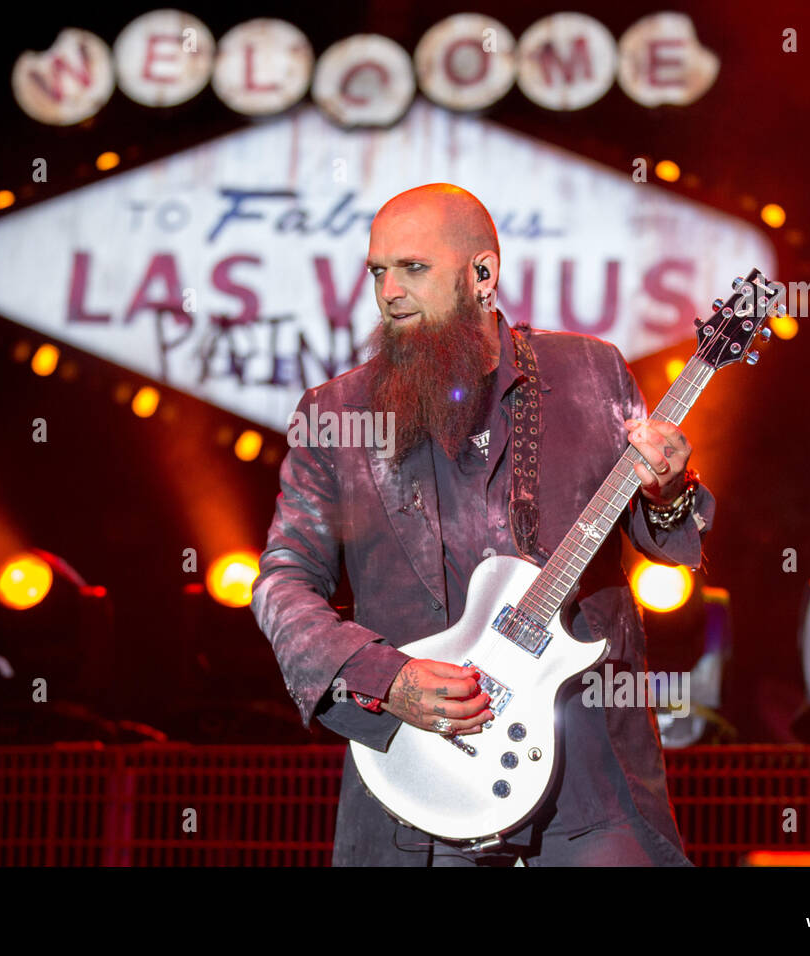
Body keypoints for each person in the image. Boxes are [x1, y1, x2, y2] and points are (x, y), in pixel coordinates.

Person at [251, 183, 716, 866]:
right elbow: (283, 582)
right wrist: (388, 679)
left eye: (413, 269)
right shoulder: (336, 413)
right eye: (379, 271)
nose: (390, 292)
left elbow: (664, 540)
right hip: (422, 778)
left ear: (483, 275)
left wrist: (671, 487)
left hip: (589, 783)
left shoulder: (590, 372)